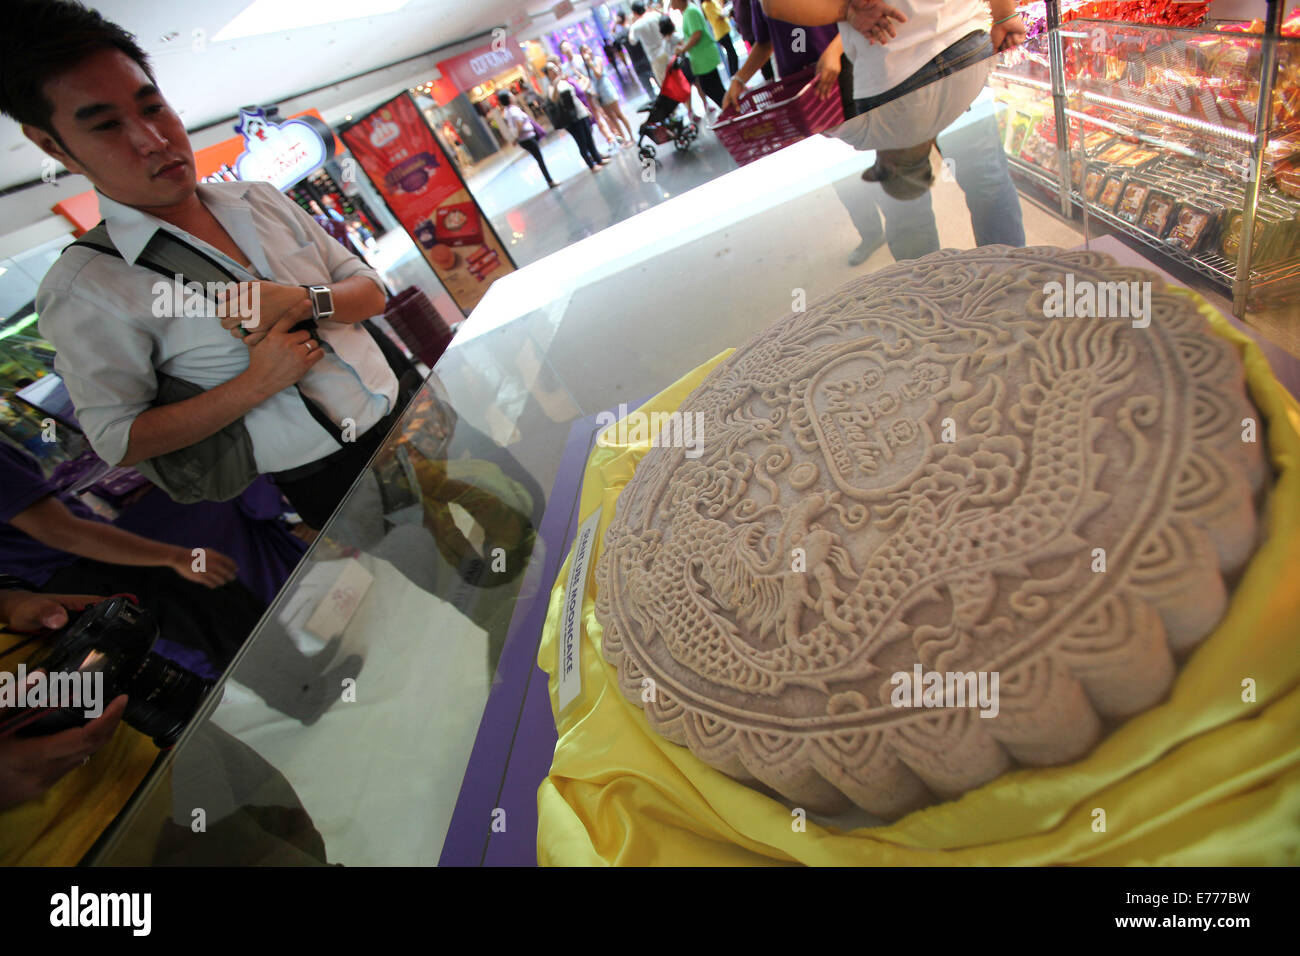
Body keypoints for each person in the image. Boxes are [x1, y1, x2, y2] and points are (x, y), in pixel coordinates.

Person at [2, 0, 405, 531]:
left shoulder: (257, 199)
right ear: (56, 147)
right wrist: (255, 384)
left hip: (410, 400)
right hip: (329, 475)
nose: (153, 141)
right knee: (466, 594)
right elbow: (118, 438)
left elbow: (372, 290)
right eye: (105, 126)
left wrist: (310, 300)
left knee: (529, 510)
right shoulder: (85, 287)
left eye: (152, 108)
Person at [761, 0, 1027, 263]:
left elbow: (775, 5)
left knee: (908, 209)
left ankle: (929, 297)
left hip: (893, 69)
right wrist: (1004, 13)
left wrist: (846, 11)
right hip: (963, 40)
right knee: (988, 181)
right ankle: (1008, 284)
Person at [544, 61, 608, 172]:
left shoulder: (564, 81)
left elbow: (575, 97)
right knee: (581, 142)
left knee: (589, 138)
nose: (555, 69)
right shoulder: (551, 87)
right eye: (551, 69)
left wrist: (585, 108)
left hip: (580, 113)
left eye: (554, 67)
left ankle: (598, 159)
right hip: (570, 119)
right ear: (548, 73)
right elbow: (553, 99)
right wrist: (556, 82)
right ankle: (591, 165)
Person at [558, 39, 618, 149]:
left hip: (592, 90)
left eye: (567, 46)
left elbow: (590, 74)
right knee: (594, 117)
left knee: (604, 113)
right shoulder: (565, 67)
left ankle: (616, 134)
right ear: (562, 52)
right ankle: (609, 138)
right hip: (581, 96)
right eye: (564, 48)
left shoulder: (580, 59)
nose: (567, 50)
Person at [671, 0, 728, 113]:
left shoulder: (691, 11)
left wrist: (683, 49)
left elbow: (697, 34)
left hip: (704, 57)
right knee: (713, 88)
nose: (671, 4)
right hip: (702, 58)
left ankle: (730, 111)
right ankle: (729, 111)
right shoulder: (687, 12)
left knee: (712, 88)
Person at [498, 89, 558, 188]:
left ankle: (549, 180)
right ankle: (549, 180)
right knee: (540, 159)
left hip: (524, 139)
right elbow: (519, 124)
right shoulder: (513, 110)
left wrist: (516, 138)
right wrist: (516, 137)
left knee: (539, 159)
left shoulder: (507, 111)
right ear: (509, 98)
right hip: (527, 138)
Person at [581, 44, 636, 146]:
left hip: (607, 90)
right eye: (583, 52)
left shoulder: (597, 60)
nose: (586, 53)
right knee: (611, 118)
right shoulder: (586, 67)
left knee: (618, 114)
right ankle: (623, 139)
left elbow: (598, 74)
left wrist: (590, 63)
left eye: (587, 49)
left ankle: (631, 136)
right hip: (599, 94)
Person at [631, 0, 673, 84]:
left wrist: (632, 23)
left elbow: (632, 41)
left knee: (666, 84)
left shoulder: (636, 26)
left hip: (655, 57)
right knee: (677, 77)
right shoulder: (655, 15)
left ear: (635, 13)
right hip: (667, 50)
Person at [702, 1, 741, 76]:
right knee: (732, 55)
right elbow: (719, 16)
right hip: (721, 33)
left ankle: (735, 77)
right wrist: (727, 13)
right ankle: (735, 77)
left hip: (724, 30)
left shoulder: (712, 2)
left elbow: (721, 10)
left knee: (732, 55)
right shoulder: (706, 5)